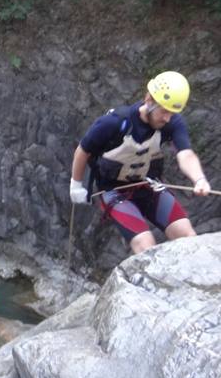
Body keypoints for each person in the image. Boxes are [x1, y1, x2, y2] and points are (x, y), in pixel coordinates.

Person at [69, 71, 210, 255]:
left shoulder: (172, 123)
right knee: (145, 245)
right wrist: (76, 185)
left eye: (172, 112)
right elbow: (83, 151)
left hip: (149, 186)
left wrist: (199, 179)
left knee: (187, 235)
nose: (168, 118)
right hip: (114, 192)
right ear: (149, 100)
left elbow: (186, 154)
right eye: (164, 111)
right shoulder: (115, 123)